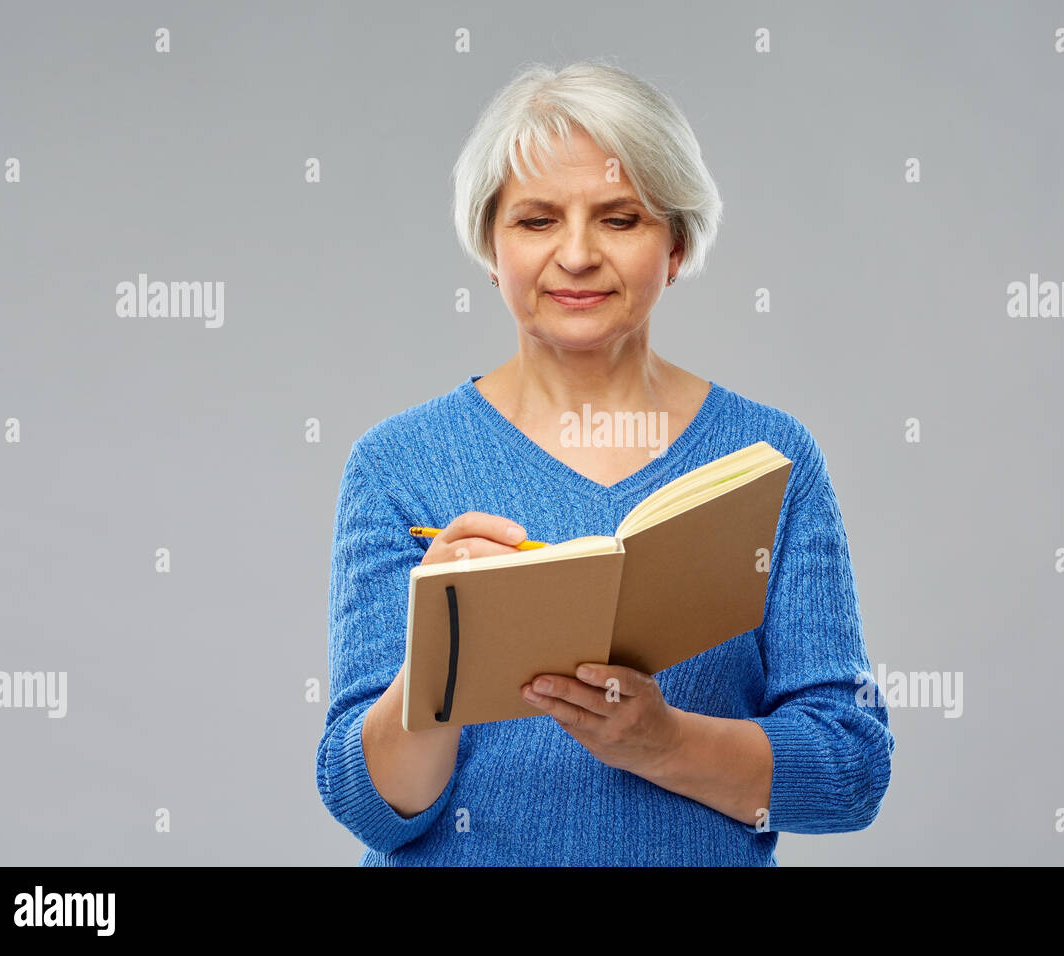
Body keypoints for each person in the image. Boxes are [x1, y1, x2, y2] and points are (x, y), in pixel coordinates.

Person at [316, 58, 894, 866]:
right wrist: (436, 669)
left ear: (678, 244)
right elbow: (371, 809)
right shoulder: (397, 464)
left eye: (621, 219)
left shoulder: (770, 461)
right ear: (490, 245)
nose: (578, 255)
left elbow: (849, 772)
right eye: (537, 220)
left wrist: (663, 742)